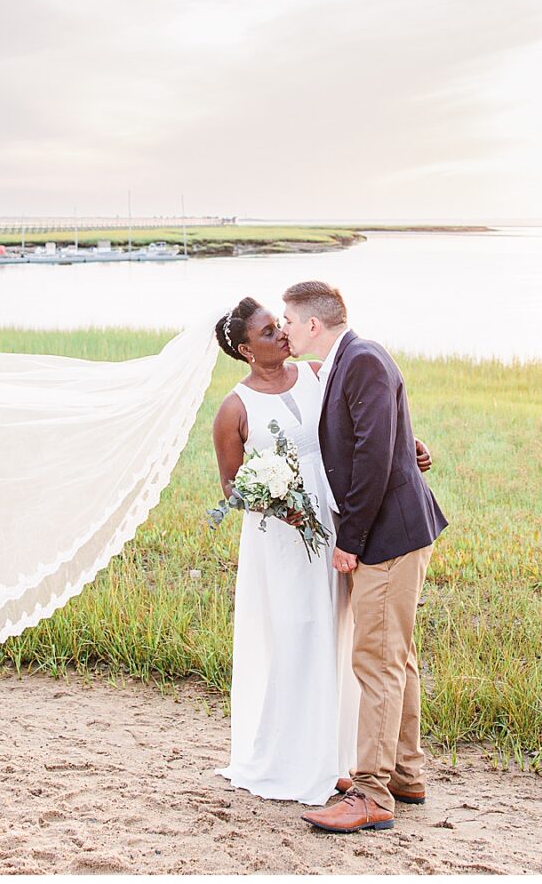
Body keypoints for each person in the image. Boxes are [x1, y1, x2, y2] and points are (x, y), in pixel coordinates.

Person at [209, 297, 433, 807]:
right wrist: (275, 502)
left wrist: (407, 443)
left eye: (280, 324)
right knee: (299, 637)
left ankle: (348, 762)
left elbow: (361, 425)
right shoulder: (234, 408)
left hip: (338, 528)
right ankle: (297, 759)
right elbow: (231, 486)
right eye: (268, 332)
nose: (281, 335)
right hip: (284, 540)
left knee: (355, 637)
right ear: (246, 350)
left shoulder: (316, 372)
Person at [279, 281, 448, 835]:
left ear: (312, 325)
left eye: (287, 319)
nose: (283, 328)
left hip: (388, 536)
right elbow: (379, 433)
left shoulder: (362, 359)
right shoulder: (345, 362)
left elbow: (373, 457)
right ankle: (404, 772)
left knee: (374, 661)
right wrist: (411, 446)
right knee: (395, 656)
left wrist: (348, 539)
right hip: (393, 530)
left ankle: (373, 794)